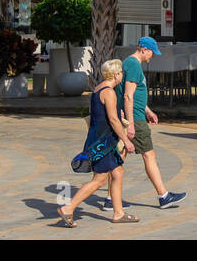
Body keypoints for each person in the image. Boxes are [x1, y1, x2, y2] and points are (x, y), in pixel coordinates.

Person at [103, 36, 186, 210]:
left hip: (136, 114)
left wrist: (148, 111)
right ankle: (163, 196)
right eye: (152, 53)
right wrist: (132, 123)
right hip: (135, 118)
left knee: (119, 157)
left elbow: (135, 94)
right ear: (144, 50)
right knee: (149, 155)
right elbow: (128, 95)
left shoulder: (128, 63)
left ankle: (111, 199)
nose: (152, 57)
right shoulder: (133, 65)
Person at [57, 58, 138, 226]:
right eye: (121, 72)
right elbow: (114, 121)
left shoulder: (97, 89)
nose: (123, 74)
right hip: (103, 143)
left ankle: (118, 213)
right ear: (116, 74)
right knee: (100, 179)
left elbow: (101, 114)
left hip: (100, 138)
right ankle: (68, 208)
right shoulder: (109, 92)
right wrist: (126, 141)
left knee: (117, 172)